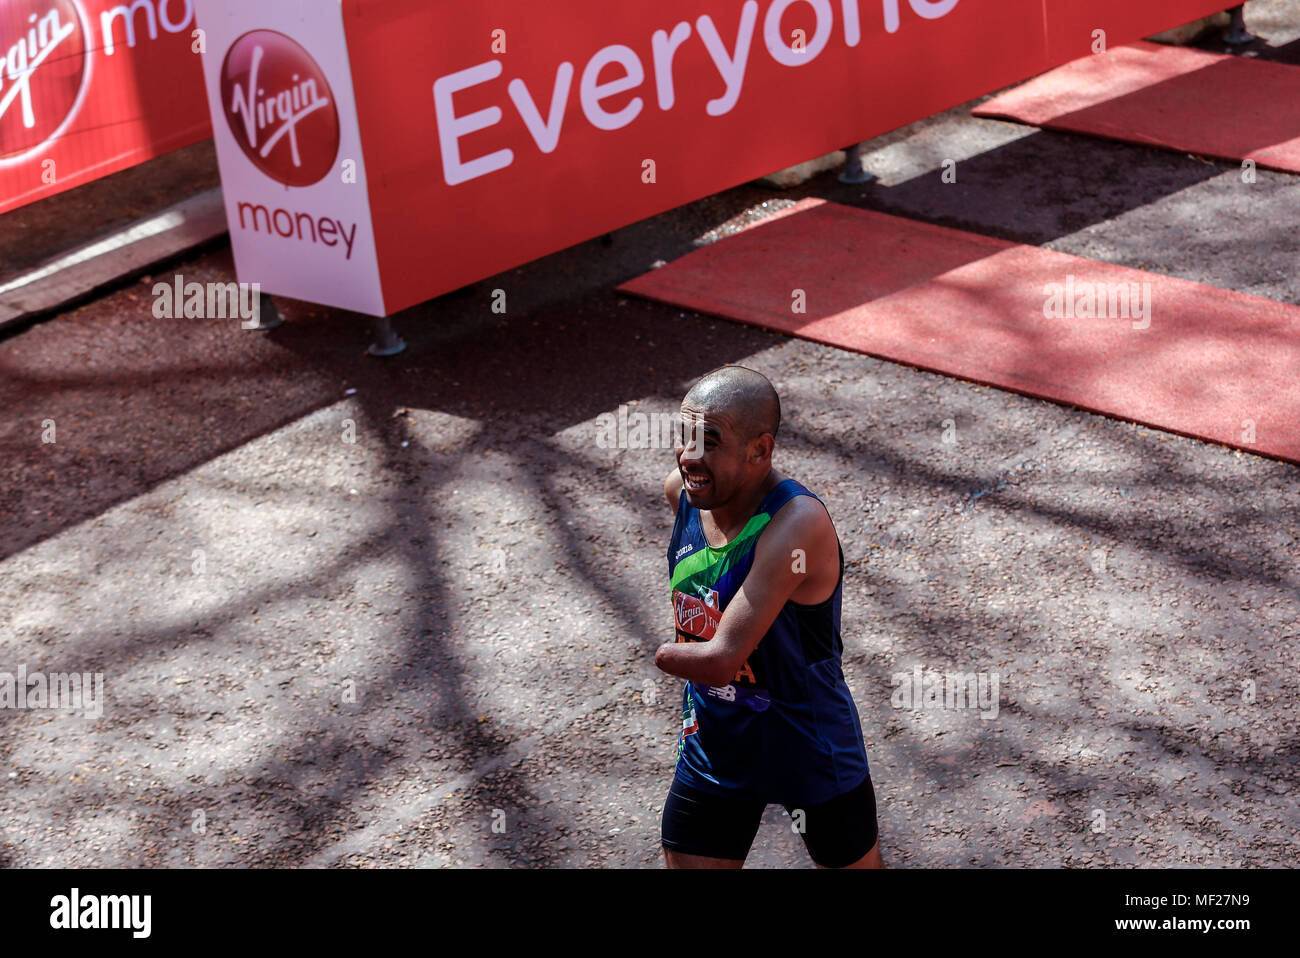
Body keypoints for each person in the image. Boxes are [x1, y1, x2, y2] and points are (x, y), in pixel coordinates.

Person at [655, 365, 883, 869]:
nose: (689, 456)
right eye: (685, 436)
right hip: (716, 744)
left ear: (760, 450)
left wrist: (663, 655)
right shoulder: (687, 494)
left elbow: (718, 661)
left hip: (807, 746)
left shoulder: (797, 523)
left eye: (710, 441)